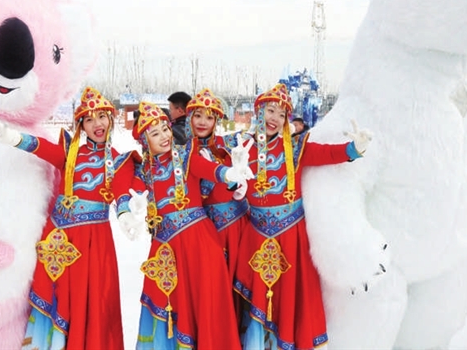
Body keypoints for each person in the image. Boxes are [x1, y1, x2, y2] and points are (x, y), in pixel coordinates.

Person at [0, 86, 137, 350]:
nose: (97, 124)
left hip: (92, 245)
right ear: (81, 125)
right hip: (57, 242)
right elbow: (42, 148)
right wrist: (12, 138)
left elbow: (121, 192)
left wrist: (125, 215)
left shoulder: (118, 161)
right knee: (55, 298)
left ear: (110, 119)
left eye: (101, 117)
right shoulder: (71, 153)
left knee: (87, 302)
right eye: (89, 119)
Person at [231, 83, 372, 350]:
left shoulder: (296, 148)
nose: (274, 118)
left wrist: (353, 149)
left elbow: (327, 153)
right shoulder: (241, 148)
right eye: (270, 110)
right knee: (256, 309)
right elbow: (222, 177)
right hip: (256, 239)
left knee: (291, 305)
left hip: (291, 241)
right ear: (258, 111)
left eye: (281, 114)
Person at [124, 101, 247, 350]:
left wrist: (229, 175)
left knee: (207, 312)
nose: (164, 136)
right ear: (144, 140)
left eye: (165, 129)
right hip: (165, 253)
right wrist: (129, 208)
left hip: (200, 247)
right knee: (166, 309)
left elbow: (210, 169)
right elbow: (132, 193)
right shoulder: (143, 171)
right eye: (155, 132)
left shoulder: (186, 156)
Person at [185, 88, 249, 286]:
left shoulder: (228, 145)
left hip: (235, 227)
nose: (203, 122)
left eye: (209, 117)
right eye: (198, 116)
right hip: (203, 231)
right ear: (189, 118)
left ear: (216, 122)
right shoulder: (181, 151)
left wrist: (239, 180)